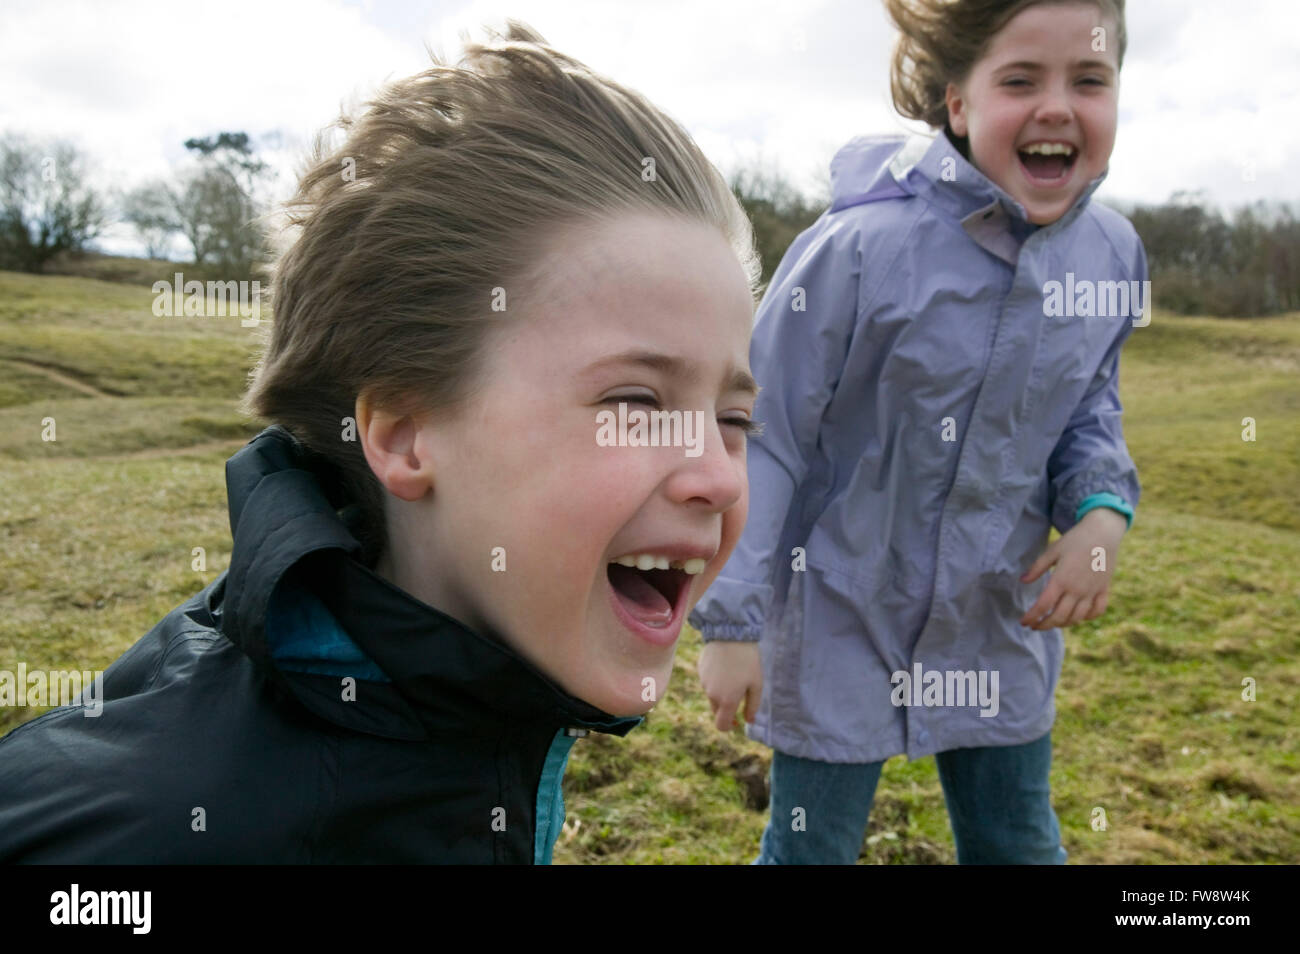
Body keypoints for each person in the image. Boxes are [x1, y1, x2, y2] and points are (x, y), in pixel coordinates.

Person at [0, 23, 760, 863]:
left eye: (735, 420)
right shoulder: (144, 842)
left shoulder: (484, 699)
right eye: (637, 402)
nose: (720, 478)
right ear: (403, 436)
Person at [692, 0, 1143, 864]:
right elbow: (768, 435)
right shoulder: (856, 248)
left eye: (1089, 80)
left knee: (1018, 843)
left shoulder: (1112, 258)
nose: (1057, 106)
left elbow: (1090, 410)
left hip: (997, 617)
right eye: (1020, 80)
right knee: (809, 850)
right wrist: (731, 622)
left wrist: (1099, 515)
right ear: (958, 104)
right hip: (839, 609)